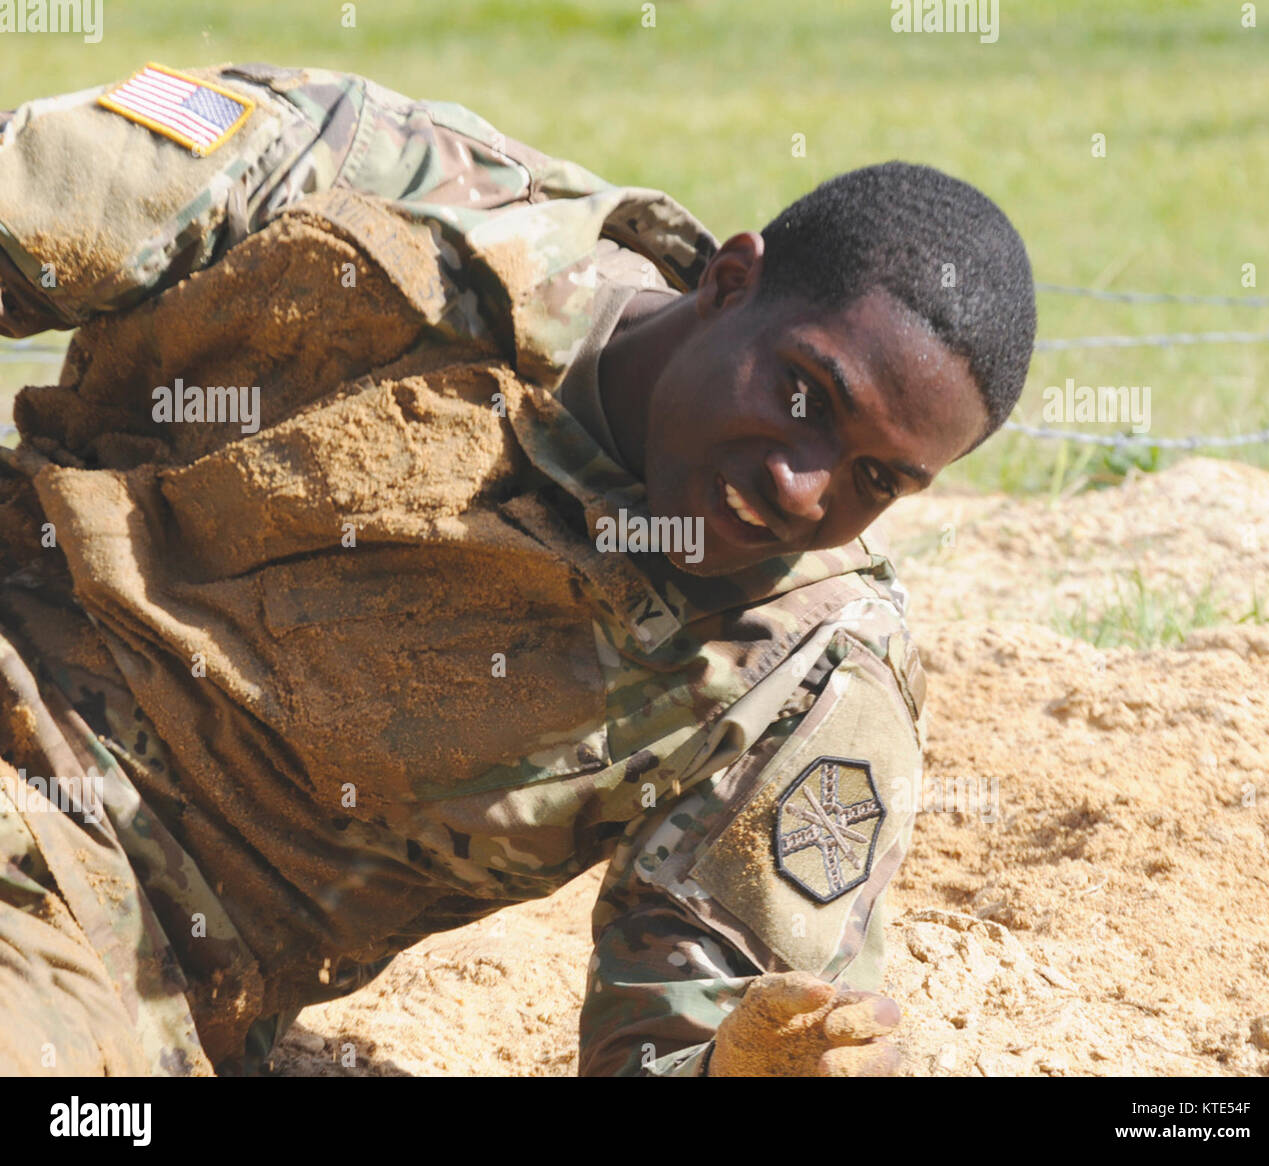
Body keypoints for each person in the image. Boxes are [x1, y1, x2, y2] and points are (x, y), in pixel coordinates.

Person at [0, 62, 1035, 1076]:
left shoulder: (806, 675)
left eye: (874, 477)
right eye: (807, 393)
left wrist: (740, 1066)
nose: (803, 487)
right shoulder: (378, 177)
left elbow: (679, 1039)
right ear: (729, 282)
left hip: (88, 909)